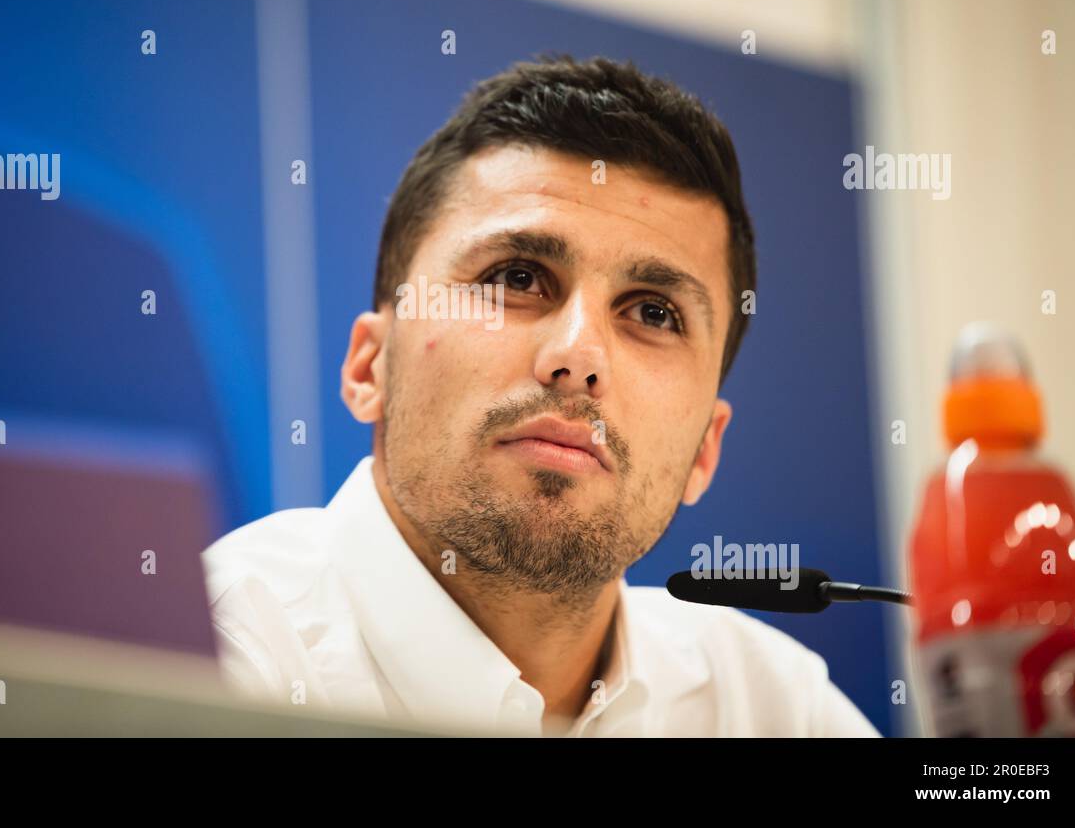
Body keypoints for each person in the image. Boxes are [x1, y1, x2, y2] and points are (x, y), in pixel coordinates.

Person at [203, 54, 880, 736]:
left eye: (653, 313)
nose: (578, 357)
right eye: (519, 276)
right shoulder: (215, 659)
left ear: (706, 448)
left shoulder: (770, 709)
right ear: (371, 366)